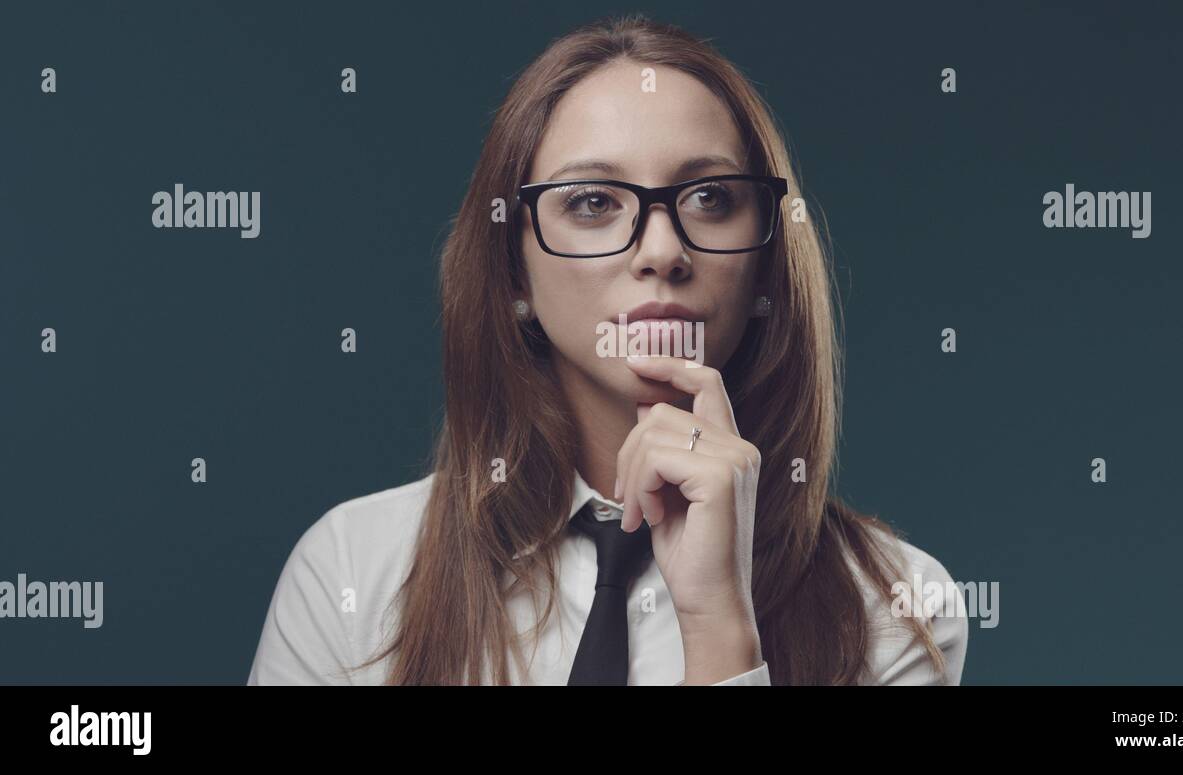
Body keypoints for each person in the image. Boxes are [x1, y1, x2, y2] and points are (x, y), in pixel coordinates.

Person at [248, 13, 967, 686]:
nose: (663, 250)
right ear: (513, 275)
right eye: (592, 202)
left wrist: (720, 625)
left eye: (711, 197)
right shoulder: (352, 570)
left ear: (766, 267)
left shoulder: (895, 606)